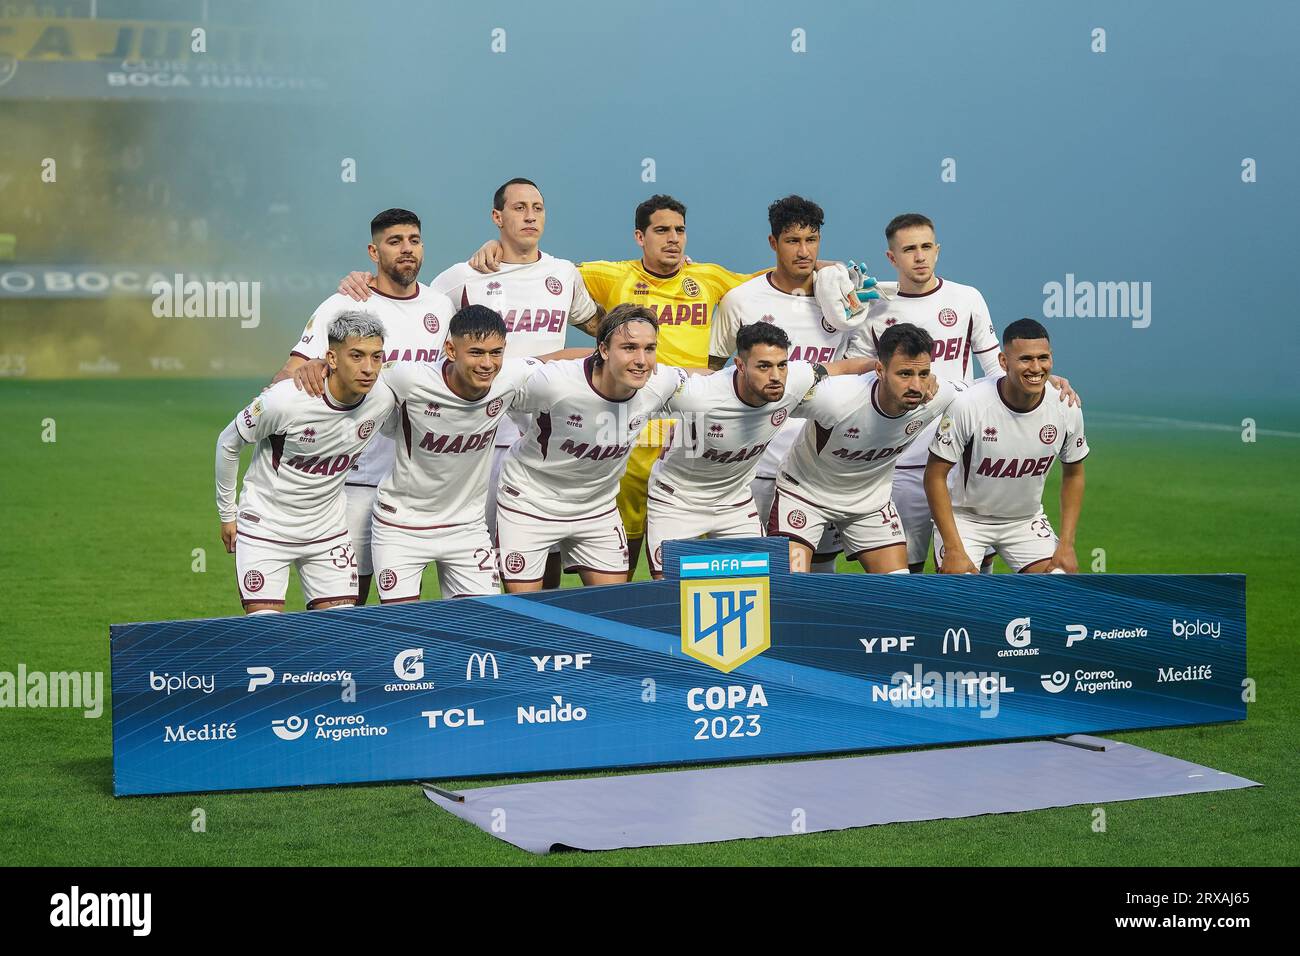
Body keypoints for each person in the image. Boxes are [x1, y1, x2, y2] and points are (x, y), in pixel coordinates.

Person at [333, 180, 600, 589]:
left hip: (545, 436)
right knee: (488, 552)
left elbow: (603, 328)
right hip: (481, 435)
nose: (530, 216)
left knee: (537, 552)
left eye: (538, 208)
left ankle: (534, 646)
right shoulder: (464, 276)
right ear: (498, 218)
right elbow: (405, 297)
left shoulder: (564, 274)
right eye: (519, 208)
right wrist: (361, 281)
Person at [272, 208, 453, 602]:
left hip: (416, 480)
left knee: (404, 599)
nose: (406, 249)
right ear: (374, 251)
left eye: (414, 240)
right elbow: (287, 377)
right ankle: (335, 666)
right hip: (355, 477)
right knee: (347, 598)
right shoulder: (346, 304)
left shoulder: (441, 307)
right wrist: (316, 372)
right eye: (394, 242)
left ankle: (401, 663)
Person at [707, 194, 880, 571]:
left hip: (821, 463)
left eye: (812, 239)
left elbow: (859, 365)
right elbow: (716, 373)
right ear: (773, 243)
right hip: (756, 461)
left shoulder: (842, 299)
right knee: (757, 570)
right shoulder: (740, 301)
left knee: (818, 569)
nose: (804, 251)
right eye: (792, 240)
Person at [370, 305, 589, 602]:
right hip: (402, 525)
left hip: (466, 527)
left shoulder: (509, 375)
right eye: (476, 352)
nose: (487, 363)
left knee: (482, 625)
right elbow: (357, 374)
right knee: (405, 628)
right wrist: (316, 365)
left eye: (496, 352)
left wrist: (611, 357)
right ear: (450, 349)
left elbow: (557, 362)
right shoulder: (409, 378)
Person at [645, 321, 870, 578]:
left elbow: (842, 367)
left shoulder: (795, 380)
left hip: (734, 502)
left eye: (781, 365)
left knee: (759, 584)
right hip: (676, 500)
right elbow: (644, 385)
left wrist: (879, 368)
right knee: (668, 589)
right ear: (740, 366)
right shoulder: (701, 394)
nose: (775, 376)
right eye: (763, 366)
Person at [494, 304, 693, 592]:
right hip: (530, 501)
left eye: (649, 349)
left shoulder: (659, 382)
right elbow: (489, 383)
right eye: (629, 348)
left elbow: (706, 380)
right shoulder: (554, 382)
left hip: (596, 508)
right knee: (529, 615)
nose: (641, 360)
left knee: (612, 609)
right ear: (603, 350)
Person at [216, 312, 396, 613]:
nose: (368, 368)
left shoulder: (383, 400)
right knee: (267, 634)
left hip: (327, 532)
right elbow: (228, 442)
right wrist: (227, 514)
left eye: (376, 357)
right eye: (356, 356)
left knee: (337, 633)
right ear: (331, 358)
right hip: (266, 528)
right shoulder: (285, 401)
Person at [770, 323, 958, 574]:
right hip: (804, 496)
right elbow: (769, 395)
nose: (915, 386)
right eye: (904, 374)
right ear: (880, 370)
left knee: (898, 591)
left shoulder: (939, 396)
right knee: (789, 586)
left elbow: (983, 399)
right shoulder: (835, 398)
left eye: (923, 374)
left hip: (870, 503)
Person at [924, 318, 1088, 574]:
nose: (1036, 367)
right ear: (1003, 361)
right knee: (959, 588)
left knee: (1061, 582)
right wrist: (954, 548)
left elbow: (1074, 474)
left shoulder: (1066, 407)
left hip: (1024, 521)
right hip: (966, 519)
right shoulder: (970, 405)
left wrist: (1066, 544)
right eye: (1025, 359)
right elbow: (934, 475)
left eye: (1042, 358)